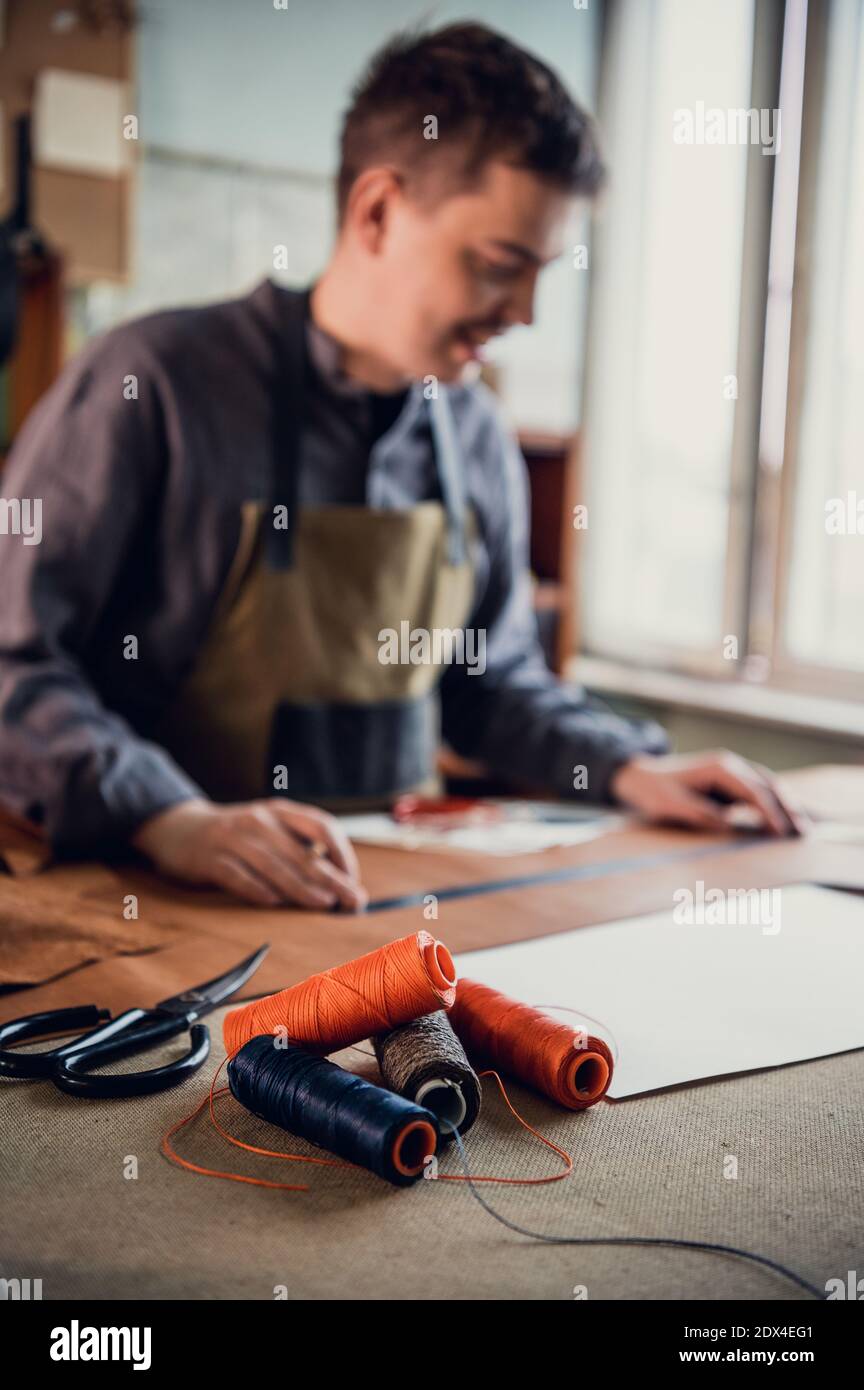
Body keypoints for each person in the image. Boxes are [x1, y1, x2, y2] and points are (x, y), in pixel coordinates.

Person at [0, 23, 802, 913]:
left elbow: (490, 685)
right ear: (377, 212)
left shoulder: (474, 429)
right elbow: (15, 664)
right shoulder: (149, 383)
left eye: (543, 272)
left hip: (387, 913)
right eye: (502, 265)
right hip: (155, 906)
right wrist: (170, 816)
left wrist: (628, 765)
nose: (527, 313)